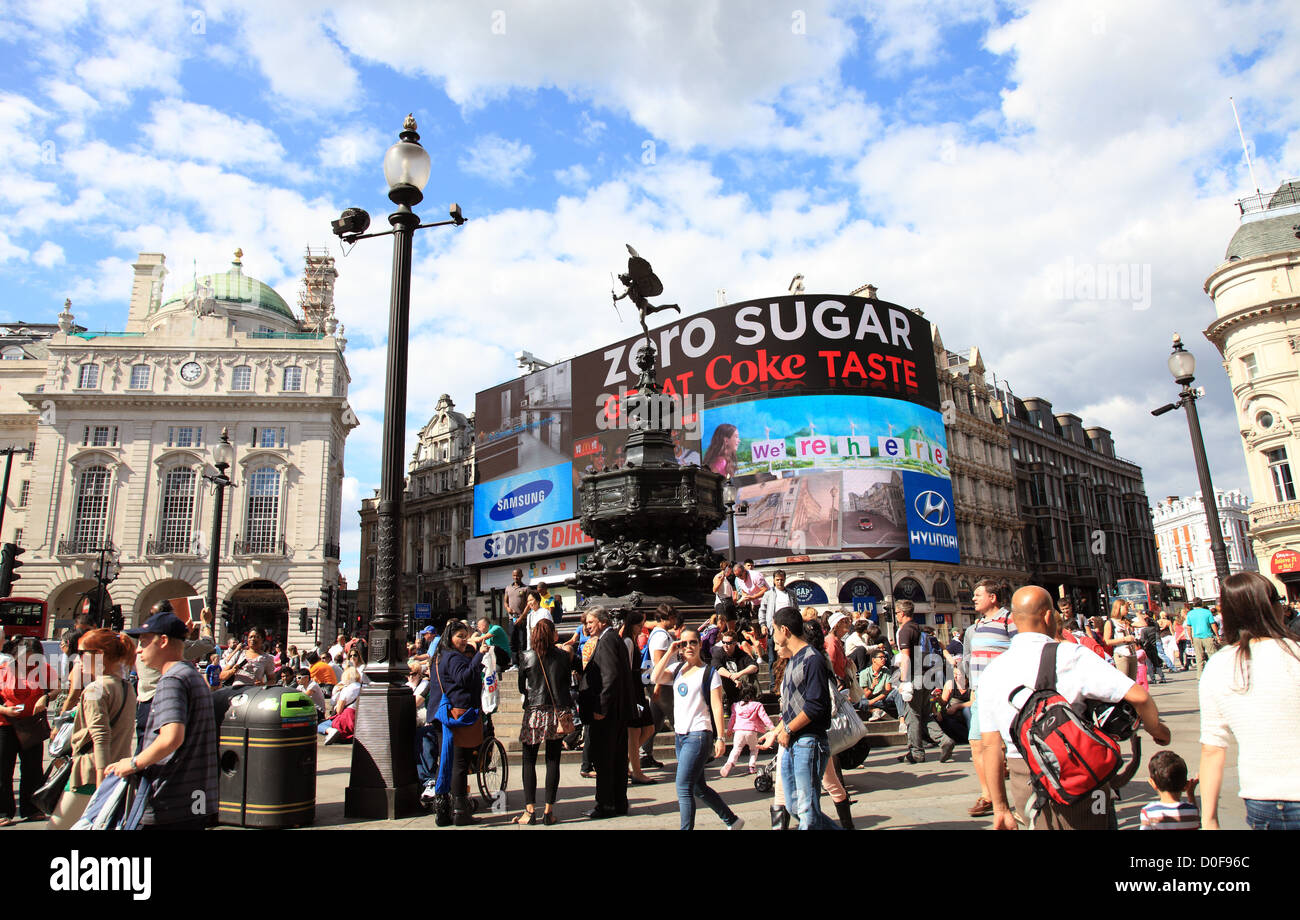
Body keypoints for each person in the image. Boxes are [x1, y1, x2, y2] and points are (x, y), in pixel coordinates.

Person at [978, 586, 1171, 831]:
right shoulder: (1071, 655)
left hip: (1024, 780)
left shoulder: (993, 671)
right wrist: (1157, 730)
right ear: (1049, 617)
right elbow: (1139, 696)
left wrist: (1001, 808)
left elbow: (990, 746)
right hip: (1079, 771)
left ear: (1014, 620)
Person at [1197, 571, 1300, 830]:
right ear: (1272, 607)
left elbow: (1212, 748)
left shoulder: (1219, 665)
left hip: (1264, 796)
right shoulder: (1296, 652)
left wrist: (1208, 818)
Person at [107, 609, 218, 829]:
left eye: (144, 642)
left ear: (163, 641)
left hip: (170, 797)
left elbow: (171, 738)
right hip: (195, 796)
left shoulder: (171, 680)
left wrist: (132, 764)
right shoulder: (191, 674)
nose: (138, 650)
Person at [650, 627, 744, 830]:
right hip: (680, 736)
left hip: (699, 735)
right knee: (698, 787)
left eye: (693, 642)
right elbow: (655, 677)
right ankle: (732, 820)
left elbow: (717, 705)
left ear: (700, 644)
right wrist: (670, 652)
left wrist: (720, 738)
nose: (689, 646)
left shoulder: (709, 673)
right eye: (684, 643)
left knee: (683, 786)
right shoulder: (677, 670)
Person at [46, 629, 138, 829]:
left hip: (91, 773)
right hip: (117, 770)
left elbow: (101, 737)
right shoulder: (125, 686)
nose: (78, 659)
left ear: (99, 655)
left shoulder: (96, 689)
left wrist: (100, 786)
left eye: (82, 653)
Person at [759, 606, 838, 830]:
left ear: (784, 630)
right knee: (794, 806)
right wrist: (776, 731)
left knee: (806, 808)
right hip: (793, 740)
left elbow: (815, 706)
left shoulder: (812, 659)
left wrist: (789, 729)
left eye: (774, 630)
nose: (773, 635)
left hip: (809, 741)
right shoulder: (794, 659)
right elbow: (793, 707)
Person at [576, 606, 635, 820]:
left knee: (605, 759)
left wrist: (601, 708)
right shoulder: (610, 638)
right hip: (617, 712)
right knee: (617, 758)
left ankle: (605, 804)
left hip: (608, 713)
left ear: (602, 621)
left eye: (590, 622)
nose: (587, 626)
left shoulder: (608, 640)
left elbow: (609, 675)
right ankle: (618, 802)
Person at [515, 619, 575, 825]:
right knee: (553, 760)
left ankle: (529, 810)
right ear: (552, 634)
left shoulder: (526, 656)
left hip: (534, 711)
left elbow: (522, 686)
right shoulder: (562, 656)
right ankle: (549, 811)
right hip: (557, 711)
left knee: (528, 760)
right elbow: (566, 681)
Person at [964, 579, 1015, 818]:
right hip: (981, 694)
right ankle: (988, 796)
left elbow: (1019, 652)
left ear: (992, 597)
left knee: (1009, 746)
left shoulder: (1009, 620)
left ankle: (1026, 794)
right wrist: (974, 690)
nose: (973, 598)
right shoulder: (979, 625)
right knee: (976, 743)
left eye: (978, 595)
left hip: (1004, 694)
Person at [0, 637, 56, 825]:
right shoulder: (4, 670)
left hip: (32, 725)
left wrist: (46, 698)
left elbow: (58, 688)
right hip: (5, 723)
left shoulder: (44, 669)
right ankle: (3, 812)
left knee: (32, 768)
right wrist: (4, 710)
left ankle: (31, 809)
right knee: (3, 769)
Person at [641, 605, 678, 772]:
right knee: (679, 721)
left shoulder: (660, 633)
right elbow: (657, 662)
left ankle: (644, 754)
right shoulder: (661, 636)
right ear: (668, 617)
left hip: (662, 683)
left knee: (654, 722)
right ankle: (690, 755)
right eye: (674, 617)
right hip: (664, 684)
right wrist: (658, 685)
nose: (676, 621)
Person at [894, 600, 930, 764]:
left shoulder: (904, 630)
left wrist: (903, 679)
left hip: (913, 676)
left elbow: (906, 656)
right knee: (924, 713)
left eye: (896, 613)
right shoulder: (917, 627)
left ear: (902, 613)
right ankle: (944, 740)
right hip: (923, 673)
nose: (895, 616)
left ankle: (916, 752)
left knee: (912, 714)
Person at [721, 677, 772, 777]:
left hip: (739, 731)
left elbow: (732, 718)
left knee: (736, 749)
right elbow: (764, 717)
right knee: (754, 749)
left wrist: (730, 729)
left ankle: (729, 763)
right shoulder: (757, 705)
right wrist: (772, 727)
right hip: (751, 731)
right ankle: (752, 766)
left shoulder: (736, 705)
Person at [1140, 750, 1199, 830]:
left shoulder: (1149, 812)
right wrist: (1191, 794)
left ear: (1153, 783)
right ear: (1186, 785)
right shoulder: (1192, 811)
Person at [710, 630, 758, 714]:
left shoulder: (741, 654)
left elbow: (754, 667)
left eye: (728, 643)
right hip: (727, 683)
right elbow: (717, 668)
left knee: (750, 675)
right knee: (717, 675)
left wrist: (738, 674)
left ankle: (751, 700)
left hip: (739, 684)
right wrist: (732, 677)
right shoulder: (719, 653)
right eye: (723, 642)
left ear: (735, 643)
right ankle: (725, 703)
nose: (725, 645)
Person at [1103, 599, 1139, 680]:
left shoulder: (1127, 621)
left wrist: (1134, 609)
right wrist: (1124, 639)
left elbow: (1143, 623)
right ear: (1119, 608)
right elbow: (1107, 641)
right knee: (1123, 682)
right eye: (1126, 608)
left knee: (1132, 683)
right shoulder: (1110, 622)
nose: (1127, 610)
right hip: (1121, 654)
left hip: (1132, 654)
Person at [1186, 597, 1220, 677]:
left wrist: (1190, 638)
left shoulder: (1190, 613)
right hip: (1207, 636)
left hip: (1196, 637)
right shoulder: (1207, 612)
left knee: (1199, 657)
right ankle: (1215, 673)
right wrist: (1217, 635)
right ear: (1202, 603)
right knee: (1212, 655)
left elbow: (1189, 627)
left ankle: (1200, 675)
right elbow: (1213, 624)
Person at [504, 568, 528, 669]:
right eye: (514, 575)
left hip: (522, 620)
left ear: (522, 575)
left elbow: (528, 604)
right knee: (512, 641)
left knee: (522, 642)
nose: (515, 577)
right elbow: (505, 601)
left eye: (517, 575)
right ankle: (514, 663)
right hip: (511, 619)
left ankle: (523, 663)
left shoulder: (526, 588)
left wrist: (522, 617)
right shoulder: (508, 588)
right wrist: (507, 608)